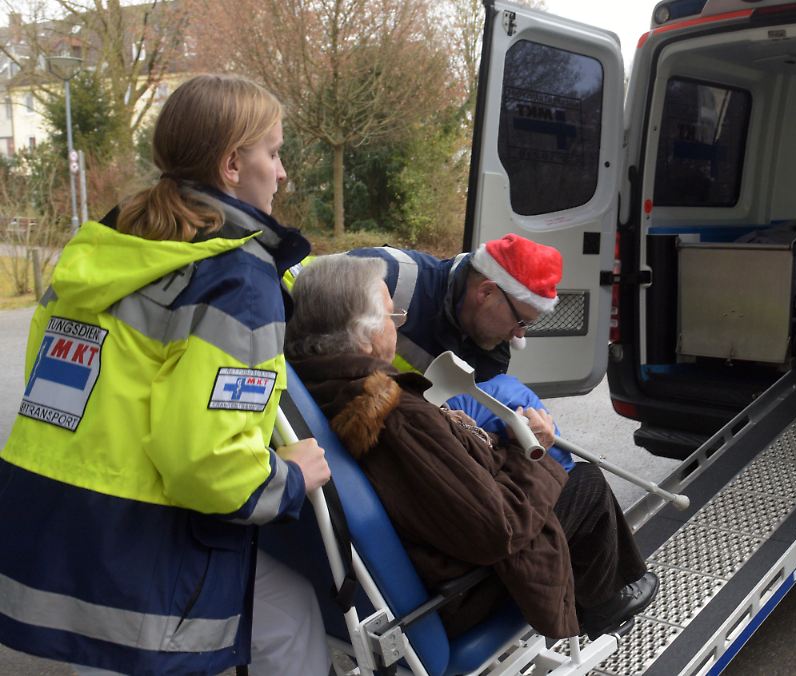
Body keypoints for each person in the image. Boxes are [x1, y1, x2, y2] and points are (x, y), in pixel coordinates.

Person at [0, 74, 331, 676]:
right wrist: (288, 478)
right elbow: (207, 465)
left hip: (43, 547)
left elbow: (56, 395)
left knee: (285, 616)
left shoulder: (100, 248)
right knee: (292, 624)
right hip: (135, 573)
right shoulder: (237, 280)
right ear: (233, 163)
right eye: (274, 153)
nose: (281, 173)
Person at [285, 255, 658, 640]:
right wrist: (533, 456)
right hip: (466, 590)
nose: (398, 326)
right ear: (362, 335)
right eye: (391, 317)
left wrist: (495, 443)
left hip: (435, 553)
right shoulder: (399, 418)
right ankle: (604, 606)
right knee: (586, 482)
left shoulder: (317, 391)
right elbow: (497, 532)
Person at [341, 234, 576, 472]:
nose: (519, 336)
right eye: (520, 321)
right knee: (508, 393)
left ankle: (560, 471)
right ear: (486, 293)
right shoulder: (390, 273)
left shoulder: (492, 348)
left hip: (410, 438)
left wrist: (516, 436)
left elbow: (478, 436)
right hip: (355, 431)